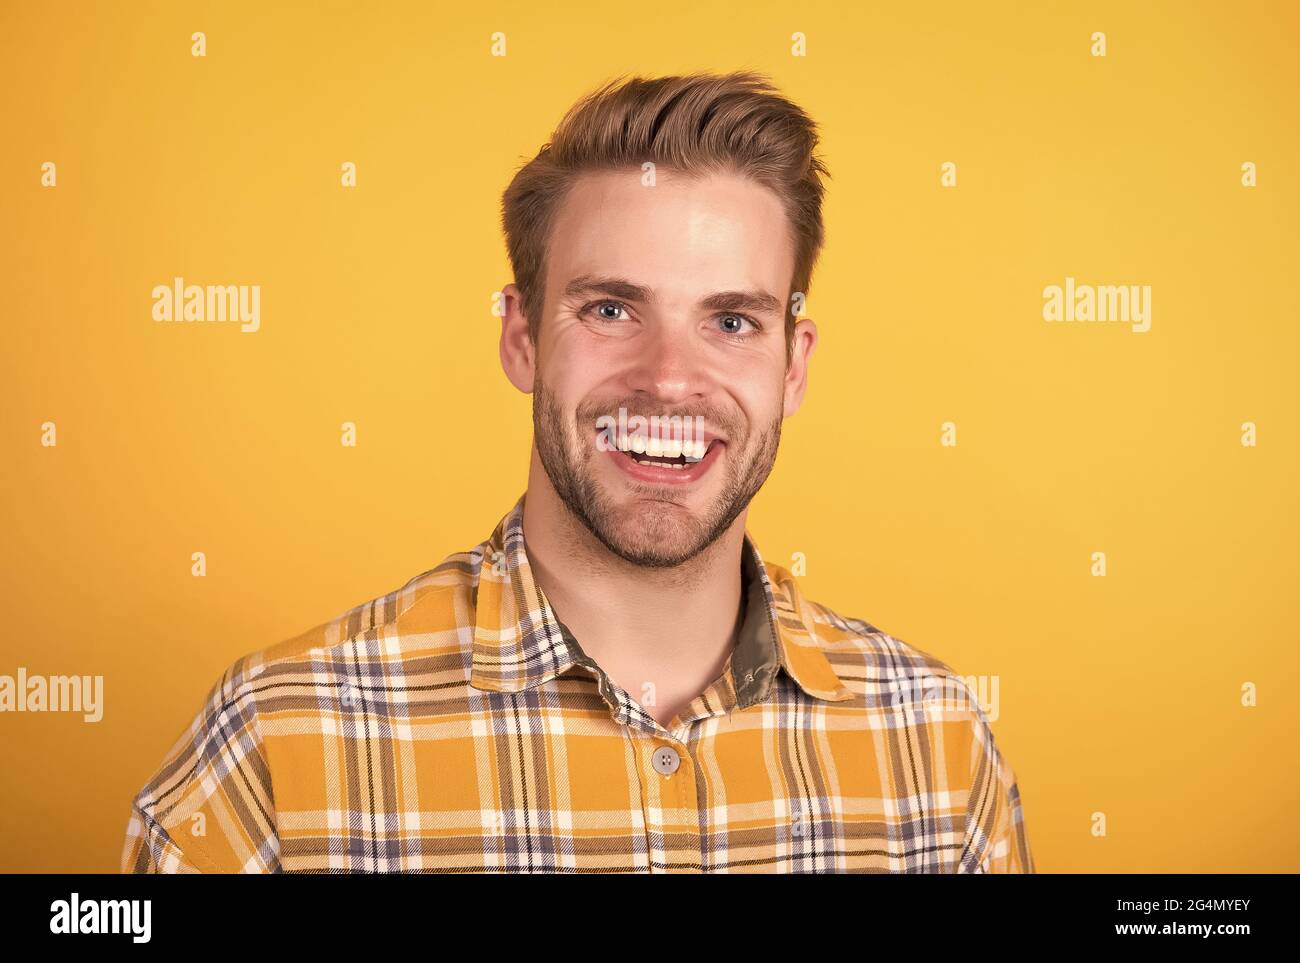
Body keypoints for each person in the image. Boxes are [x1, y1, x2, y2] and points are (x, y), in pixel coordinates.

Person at [122, 70, 1034, 874]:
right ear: (522, 338)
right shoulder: (274, 750)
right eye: (610, 308)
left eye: (731, 322)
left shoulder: (936, 749)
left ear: (792, 367)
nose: (670, 377)